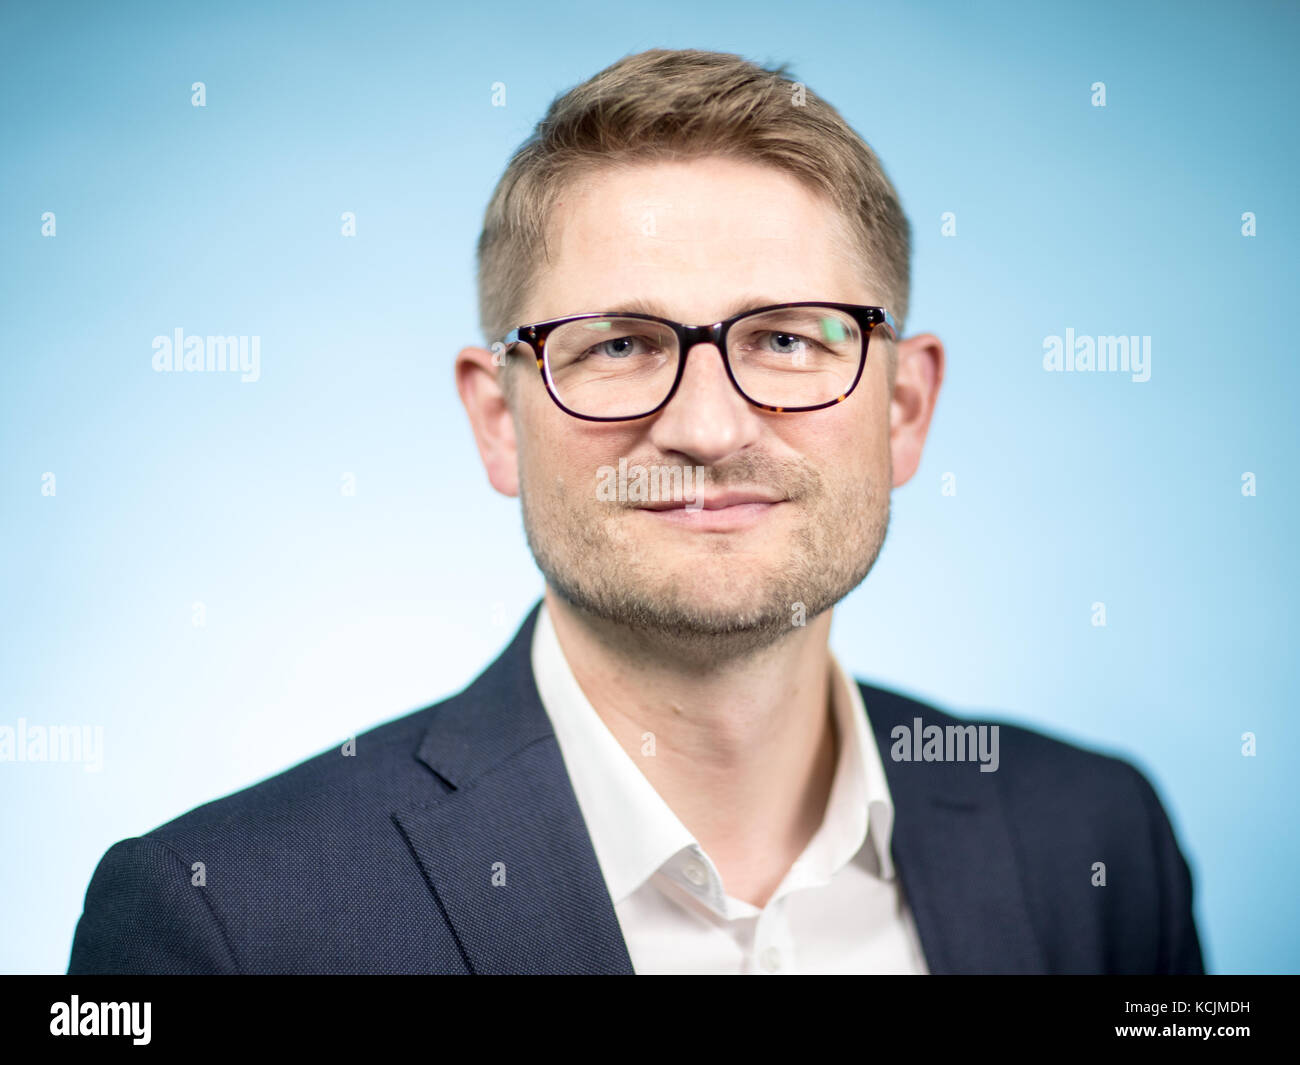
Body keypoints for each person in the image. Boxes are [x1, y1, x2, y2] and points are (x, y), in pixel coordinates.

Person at [69, 48, 1203, 975]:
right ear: (497, 421)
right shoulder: (222, 923)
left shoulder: (1095, 841)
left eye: (787, 338)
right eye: (619, 344)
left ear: (904, 410)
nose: (707, 430)